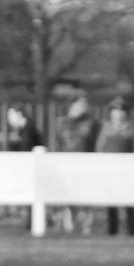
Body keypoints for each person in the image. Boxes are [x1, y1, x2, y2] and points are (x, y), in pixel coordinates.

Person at [95, 98, 134, 237]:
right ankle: (112, 229)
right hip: (110, 169)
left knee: (130, 201)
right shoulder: (106, 128)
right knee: (111, 200)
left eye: (121, 111)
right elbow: (100, 147)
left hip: (128, 169)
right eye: (116, 111)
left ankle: (132, 229)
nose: (119, 114)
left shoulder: (132, 128)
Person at [60, 96, 100, 235]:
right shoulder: (63, 122)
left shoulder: (91, 123)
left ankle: (86, 224)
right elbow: (59, 141)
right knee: (68, 194)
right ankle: (68, 221)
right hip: (67, 162)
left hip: (86, 163)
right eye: (79, 104)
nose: (82, 107)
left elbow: (96, 142)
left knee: (86, 194)